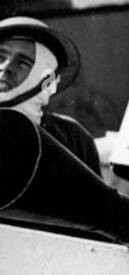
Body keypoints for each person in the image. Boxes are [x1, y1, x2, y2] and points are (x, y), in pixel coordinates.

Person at [0, 16, 100, 175]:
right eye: (0, 57)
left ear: (47, 80)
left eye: (23, 62)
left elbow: (97, 198)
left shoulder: (72, 137)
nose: (6, 67)